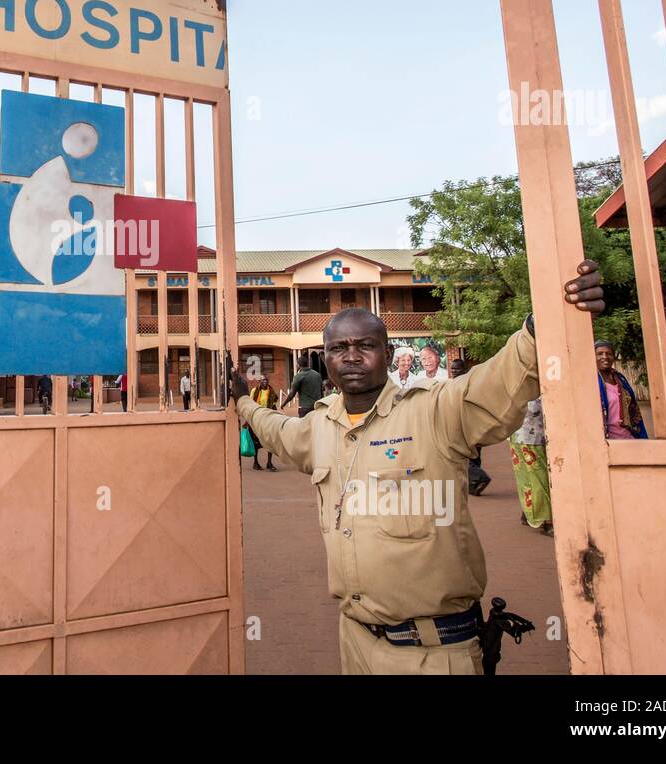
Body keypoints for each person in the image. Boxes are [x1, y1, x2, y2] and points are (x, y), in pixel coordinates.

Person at [229, 259, 605, 674]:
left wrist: (547, 321)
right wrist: (244, 400)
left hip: (431, 653)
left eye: (365, 346)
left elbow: (500, 380)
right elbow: (276, 429)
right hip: (355, 641)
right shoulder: (320, 425)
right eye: (339, 348)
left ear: (387, 354)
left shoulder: (435, 409)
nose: (351, 357)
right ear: (325, 358)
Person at [449, 358, 493, 497]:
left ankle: (479, 478)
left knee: (470, 455)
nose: (454, 371)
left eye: (457, 369)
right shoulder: (452, 385)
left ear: (464, 369)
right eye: (453, 369)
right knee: (471, 455)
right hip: (461, 424)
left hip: (470, 424)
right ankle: (473, 484)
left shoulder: (469, 384)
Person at [511, 398, 553, 536]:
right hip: (530, 434)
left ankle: (529, 512)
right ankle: (545, 520)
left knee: (529, 477)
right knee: (538, 477)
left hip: (522, 432)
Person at [594, 340, 647, 439]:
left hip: (630, 438)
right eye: (599, 354)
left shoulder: (620, 379)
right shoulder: (591, 382)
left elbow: (634, 408)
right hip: (608, 443)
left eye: (609, 354)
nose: (605, 357)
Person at [249, 376, 278, 472]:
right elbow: (251, 405)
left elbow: (273, 405)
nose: (264, 382)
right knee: (256, 442)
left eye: (266, 380)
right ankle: (255, 462)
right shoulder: (254, 391)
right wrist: (248, 419)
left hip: (268, 418)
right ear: (259, 382)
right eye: (262, 380)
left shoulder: (272, 391)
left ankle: (269, 463)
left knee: (270, 441)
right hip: (257, 418)